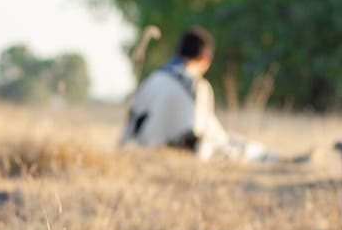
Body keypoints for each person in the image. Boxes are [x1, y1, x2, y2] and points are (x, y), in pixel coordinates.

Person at [121, 26, 305, 163]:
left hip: (139, 150)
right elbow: (198, 138)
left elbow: (129, 128)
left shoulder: (152, 79)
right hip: (178, 153)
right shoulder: (195, 85)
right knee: (242, 147)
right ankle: (279, 159)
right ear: (205, 59)